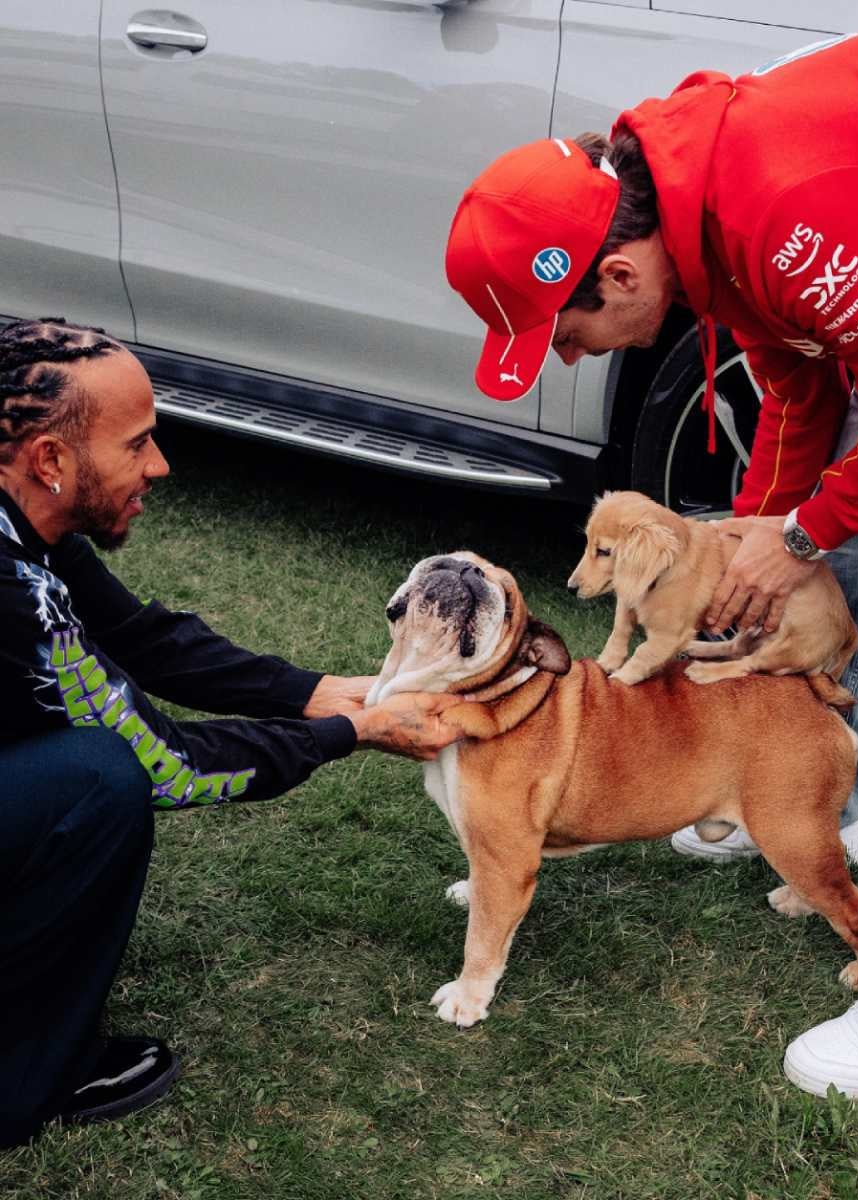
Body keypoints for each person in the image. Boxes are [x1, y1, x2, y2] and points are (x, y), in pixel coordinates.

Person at [445, 30, 858, 1099]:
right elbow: (804, 391)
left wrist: (799, 537)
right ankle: (813, 806)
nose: (572, 357)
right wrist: (758, 538)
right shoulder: (700, 213)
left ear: (619, 273)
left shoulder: (783, 212)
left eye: (566, 335)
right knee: (852, 582)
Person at [0, 317, 463, 1148]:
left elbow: (141, 636)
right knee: (96, 779)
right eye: (137, 444)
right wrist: (351, 732)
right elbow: (166, 766)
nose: (159, 465)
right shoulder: (10, 584)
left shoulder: (25, 517)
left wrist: (312, 692)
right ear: (50, 459)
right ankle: (22, 1080)